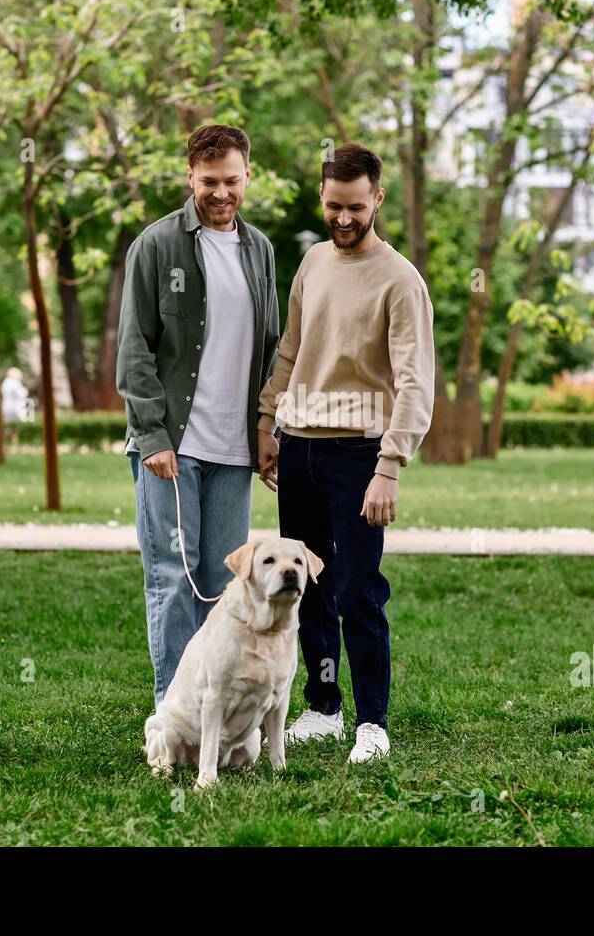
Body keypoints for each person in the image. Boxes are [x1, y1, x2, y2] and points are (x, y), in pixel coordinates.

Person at [256, 142, 436, 763]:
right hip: (298, 448)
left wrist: (390, 468)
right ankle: (325, 707)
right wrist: (266, 422)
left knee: (359, 589)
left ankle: (372, 725)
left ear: (378, 199)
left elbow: (415, 381)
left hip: (360, 458)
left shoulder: (401, 280)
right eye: (334, 205)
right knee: (306, 588)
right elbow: (290, 348)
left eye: (355, 208)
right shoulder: (312, 262)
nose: (343, 218)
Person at [117, 124, 281, 705]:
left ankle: (216, 709)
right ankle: (172, 711)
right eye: (209, 181)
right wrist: (152, 435)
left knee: (224, 585)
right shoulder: (157, 246)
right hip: (172, 448)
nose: (220, 193)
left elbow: (271, 348)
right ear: (190, 176)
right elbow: (134, 347)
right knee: (171, 579)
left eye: (231, 181)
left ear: (247, 177)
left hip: (233, 450)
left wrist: (268, 429)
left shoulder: (259, 249)